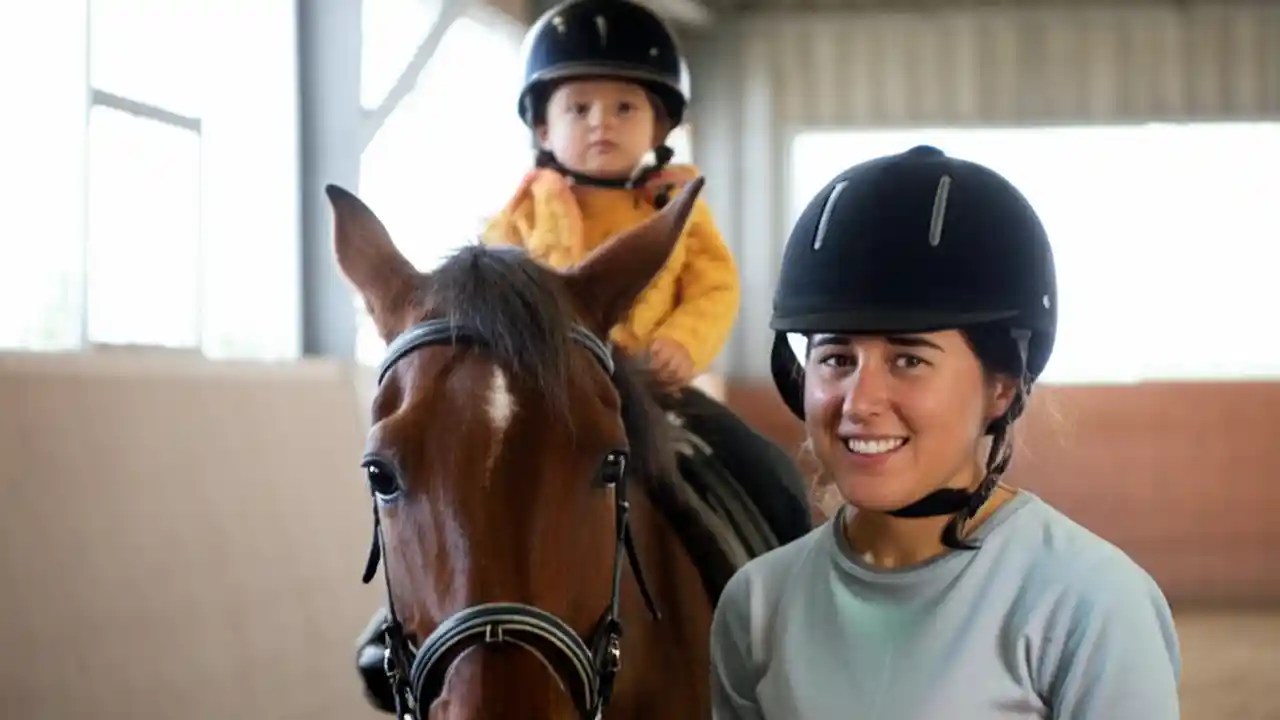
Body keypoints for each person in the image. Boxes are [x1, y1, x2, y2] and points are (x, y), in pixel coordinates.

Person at [352, 0, 813, 711]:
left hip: (659, 391)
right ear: (543, 127)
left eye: (624, 106)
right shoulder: (524, 211)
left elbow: (715, 287)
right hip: (550, 397)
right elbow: (489, 297)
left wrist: (682, 346)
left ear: (660, 126)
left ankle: (787, 618)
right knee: (469, 483)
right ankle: (415, 626)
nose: (602, 122)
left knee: (764, 468)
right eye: (580, 107)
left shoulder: (674, 206)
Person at [710, 145, 1182, 719]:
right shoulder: (756, 604)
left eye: (909, 360)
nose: (859, 403)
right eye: (836, 358)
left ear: (1001, 387)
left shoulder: (1090, 602)